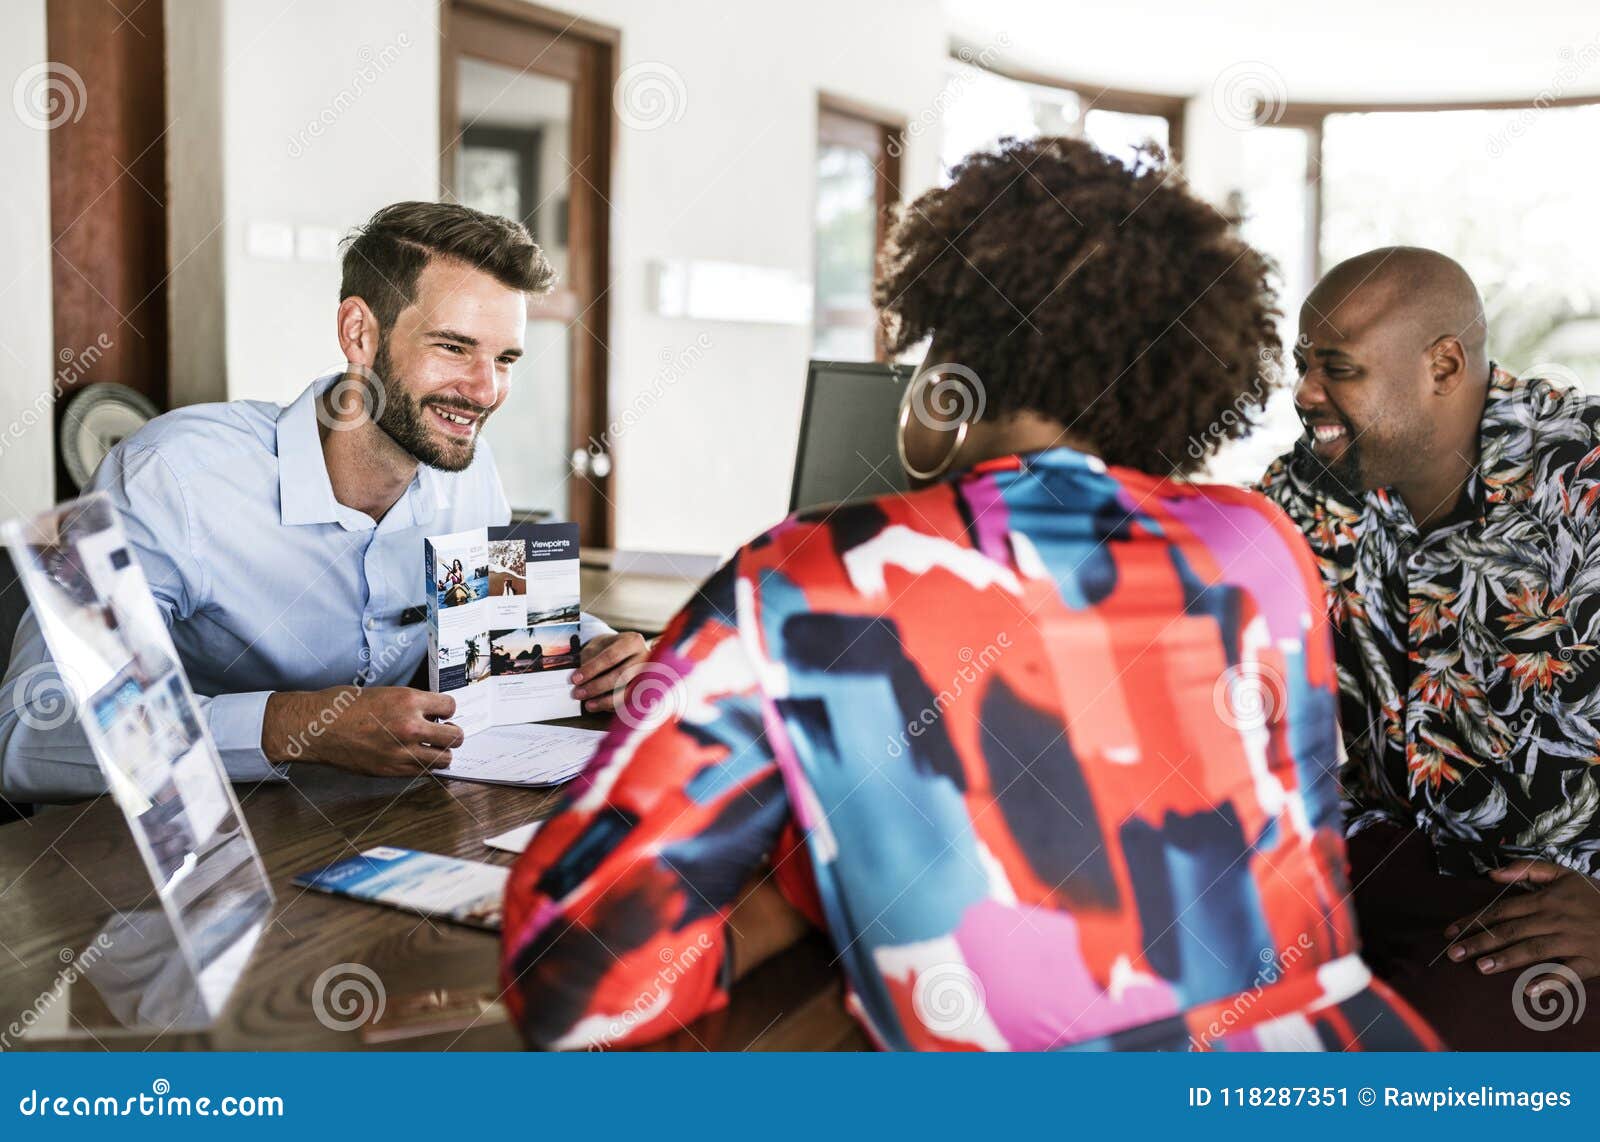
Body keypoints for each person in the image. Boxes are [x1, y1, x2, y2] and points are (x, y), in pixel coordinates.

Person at [498, 138, 1439, 1052]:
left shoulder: (809, 574)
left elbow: (572, 982)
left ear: (948, 373)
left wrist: (805, 877)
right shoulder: (1259, 545)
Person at [0, 202, 649, 802]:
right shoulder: (171, 476)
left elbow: (499, 636)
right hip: (173, 865)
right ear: (360, 334)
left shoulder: (464, 467)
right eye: (453, 347)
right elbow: (27, 733)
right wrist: (290, 724)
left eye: (505, 358)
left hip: (378, 832)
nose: (484, 390)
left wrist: (591, 652)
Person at [1261, 246, 1600, 1048]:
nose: (1305, 394)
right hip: (1362, 865)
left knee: (1412, 1068)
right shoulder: (1304, 491)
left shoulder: (1582, 478)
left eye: (1337, 368)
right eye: (1303, 364)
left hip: (1549, 895)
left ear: (1444, 365)